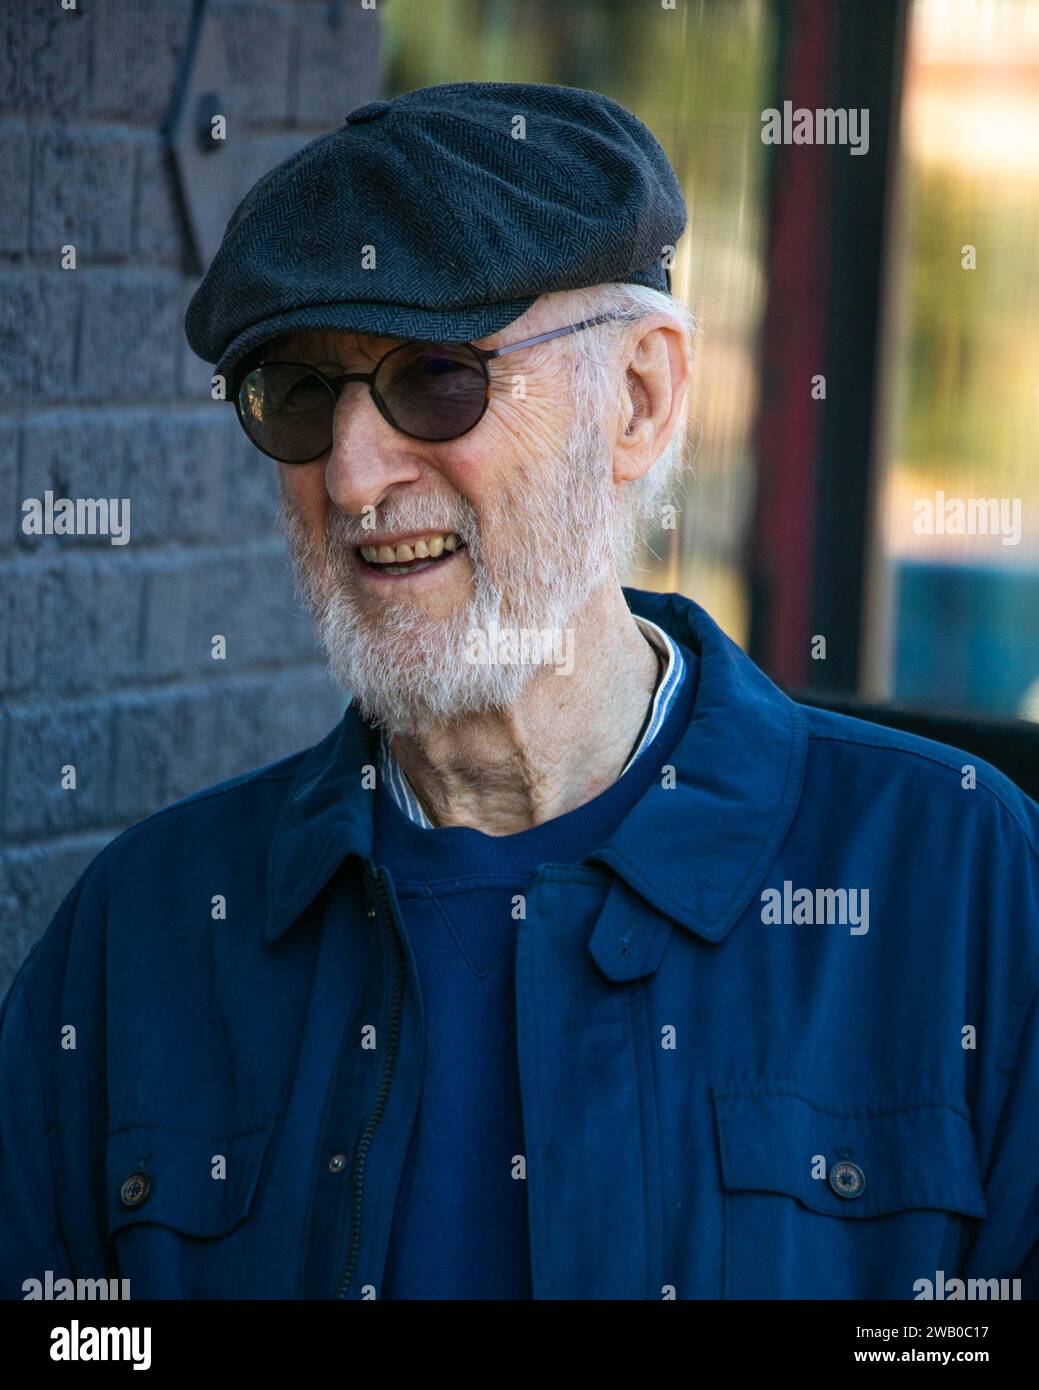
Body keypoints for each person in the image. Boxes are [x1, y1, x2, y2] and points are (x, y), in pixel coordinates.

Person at [2, 81, 1037, 1302]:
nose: (349, 474)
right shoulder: (145, 931)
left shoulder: (959, 880)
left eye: (435, 378)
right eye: (298, 393)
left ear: (640, 401)